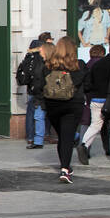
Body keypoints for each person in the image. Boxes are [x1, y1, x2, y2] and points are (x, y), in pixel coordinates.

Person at [41, 36, 87, 183]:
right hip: (72, 105)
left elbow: (42, 83)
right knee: (67, 137)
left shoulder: (49, 65)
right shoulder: (79, 65)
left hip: (53, 105)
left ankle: (65, 166)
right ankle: (65, 169)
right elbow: (86, 83)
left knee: (63, 136)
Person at [79, 37, 110, 165]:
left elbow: (90, 82)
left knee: (95, 125)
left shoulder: (98, 64)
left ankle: (83, 144)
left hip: (96, 99)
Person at [16, 39, 47, 148]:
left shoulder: (28, 57)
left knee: (32, 115)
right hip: (41, 92)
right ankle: (38, 139)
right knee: (40, 116)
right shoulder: (40, 59)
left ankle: (31, 137)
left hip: (32, 90)